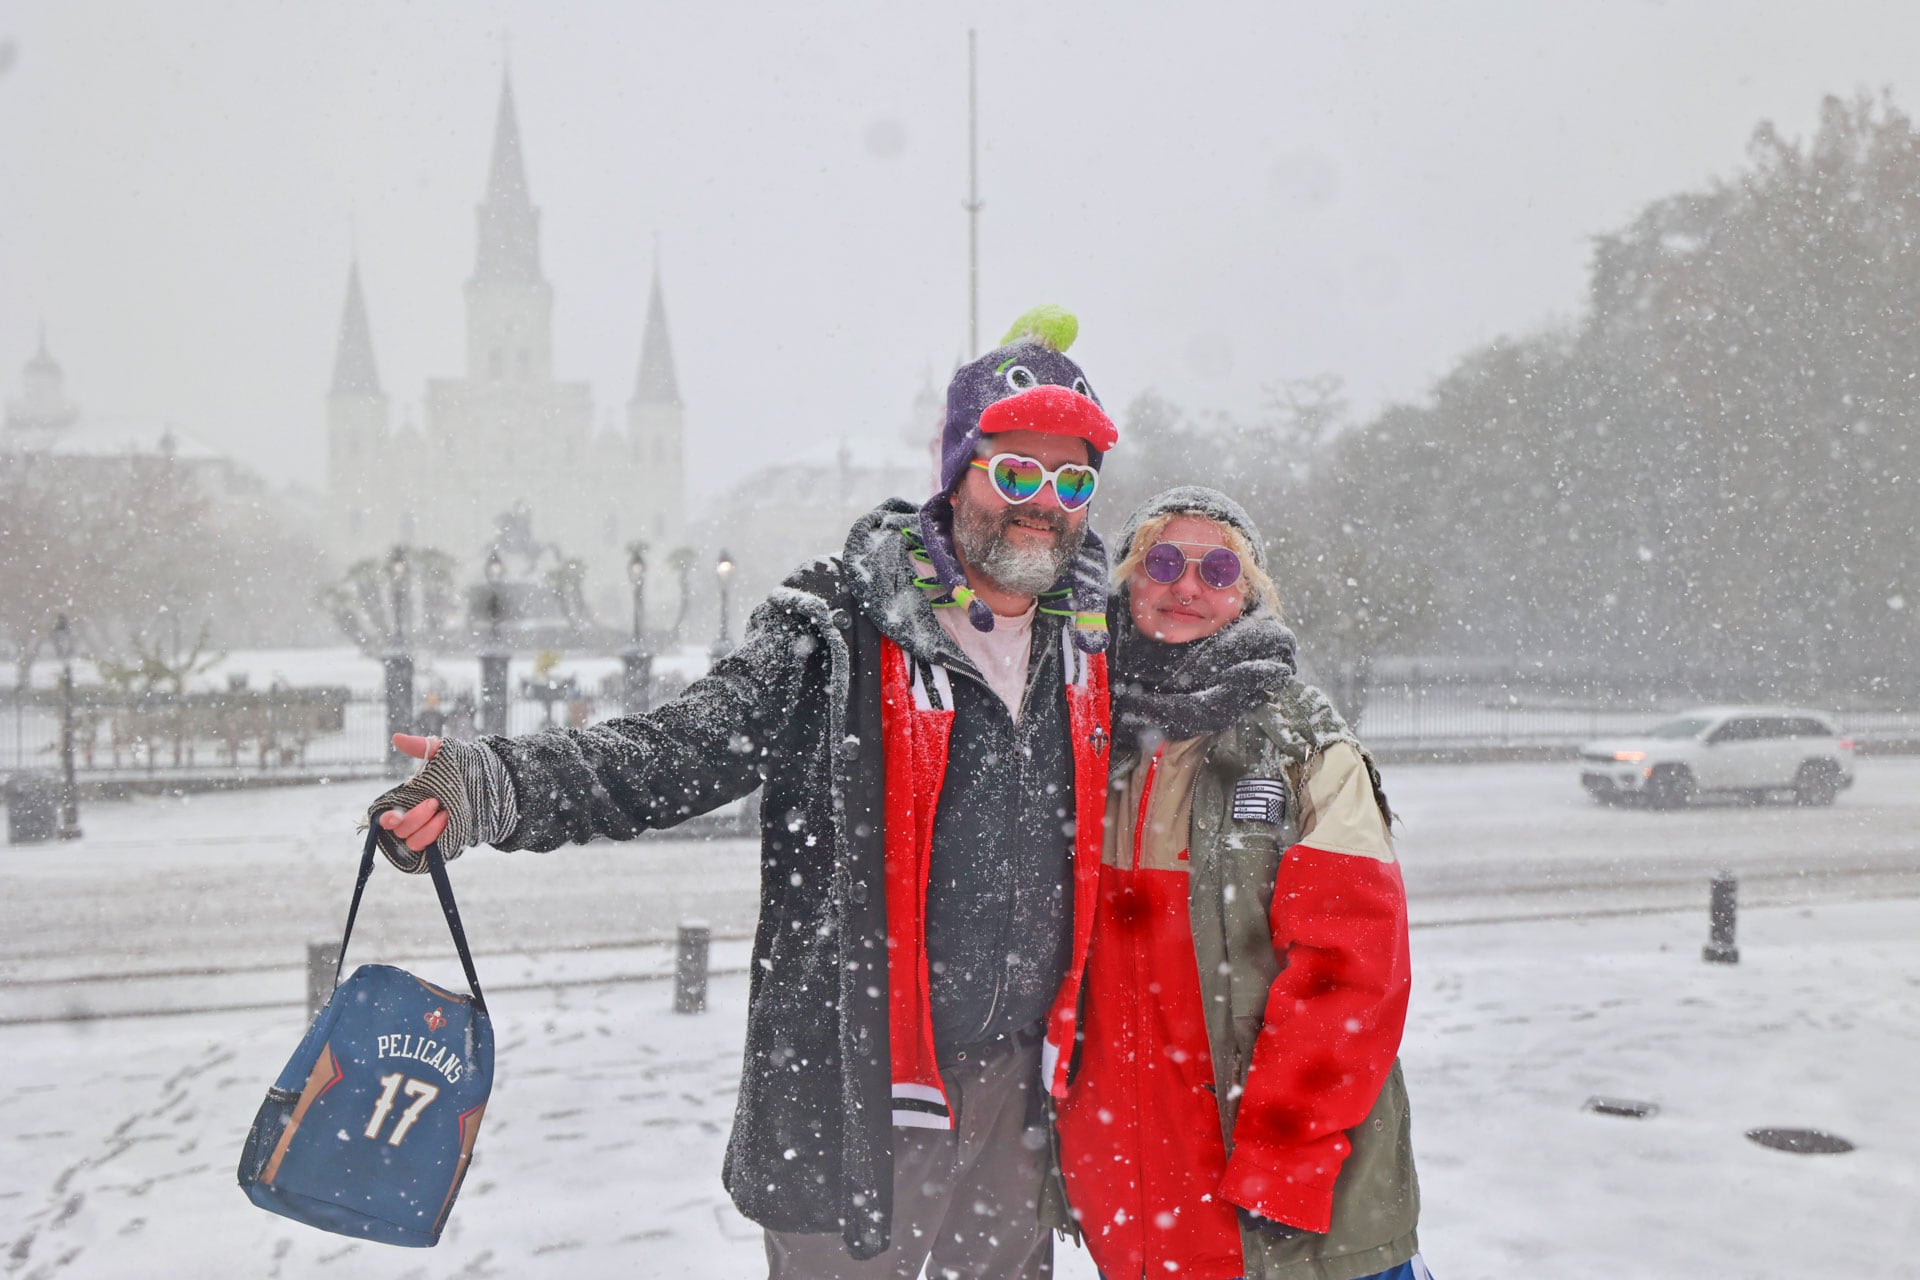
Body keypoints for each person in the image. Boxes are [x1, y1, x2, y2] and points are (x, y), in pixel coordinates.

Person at [368, 307, 1119, 1279]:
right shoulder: (837, 631)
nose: (1043, 502)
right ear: (956, 471)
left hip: (1021, 1098)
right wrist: (495, 782)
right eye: (1015, 472)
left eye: (1072, 479)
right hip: (857, 1094)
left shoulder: (1093, 646)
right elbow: (674, 749)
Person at [1053, 487, 1430, 1280]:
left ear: (1249, 593)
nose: (1187, 586)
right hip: (1135, 1202)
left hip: (1290, 1217)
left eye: (1219, 569)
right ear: (1127, 577)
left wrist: (1284, 1157)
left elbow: (1351, 976)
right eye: (1163, 561)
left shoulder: (1306, 745)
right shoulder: (1082, 729)